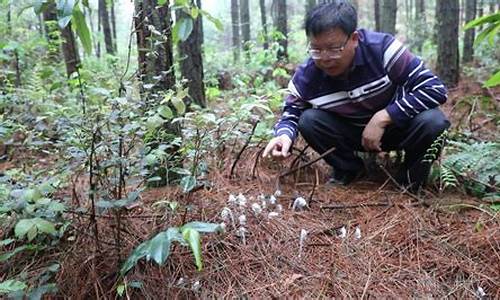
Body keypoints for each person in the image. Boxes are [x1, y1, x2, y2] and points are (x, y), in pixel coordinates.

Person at [262, 0, 450, 192]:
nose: (325, 58)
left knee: (433, 121)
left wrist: (383, 117)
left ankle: (410, 181)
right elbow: (292, 112)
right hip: (352, 133)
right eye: (316, 50)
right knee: (309, 120)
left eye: (334, 49)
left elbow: (434, 89)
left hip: (399, 128)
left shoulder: (382, 49)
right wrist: (283, 136)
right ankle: (349, 170)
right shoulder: (307, 76)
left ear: (354, 38)